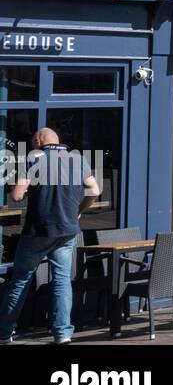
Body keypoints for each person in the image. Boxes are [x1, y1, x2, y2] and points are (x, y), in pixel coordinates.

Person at [0, 128, 100, 344]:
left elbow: (17, 195)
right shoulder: (77, 159)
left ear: (38, 141)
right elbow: (95, 190)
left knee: (20, 281)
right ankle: (63, 334)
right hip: (67, 231)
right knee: (62, 281)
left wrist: (20, 189)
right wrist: (78, 211)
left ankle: (4, 333)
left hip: (38, 232)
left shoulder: (34, 158)